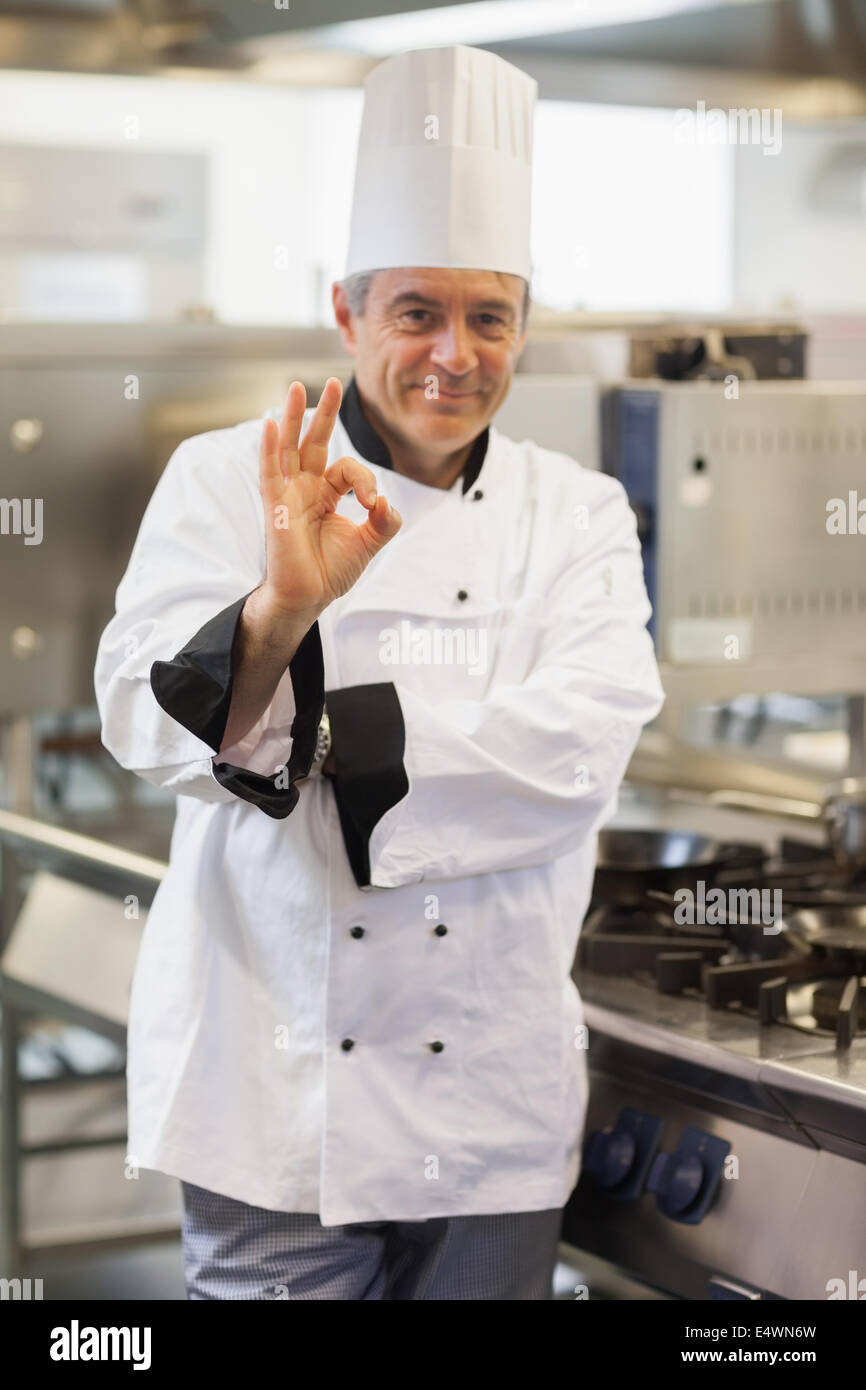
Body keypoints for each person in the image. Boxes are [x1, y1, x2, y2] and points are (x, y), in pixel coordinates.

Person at [94, 44, 665, 1301]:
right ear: (348, 312)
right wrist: (281, 605)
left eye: (487, 316)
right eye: (416, 311)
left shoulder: (577, 512)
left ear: (523, 325)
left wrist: (311, 740)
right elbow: (144, 720)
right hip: (273, 1089)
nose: (452, 354)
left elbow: (583, 745)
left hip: (492, 1105)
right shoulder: (224, 476)